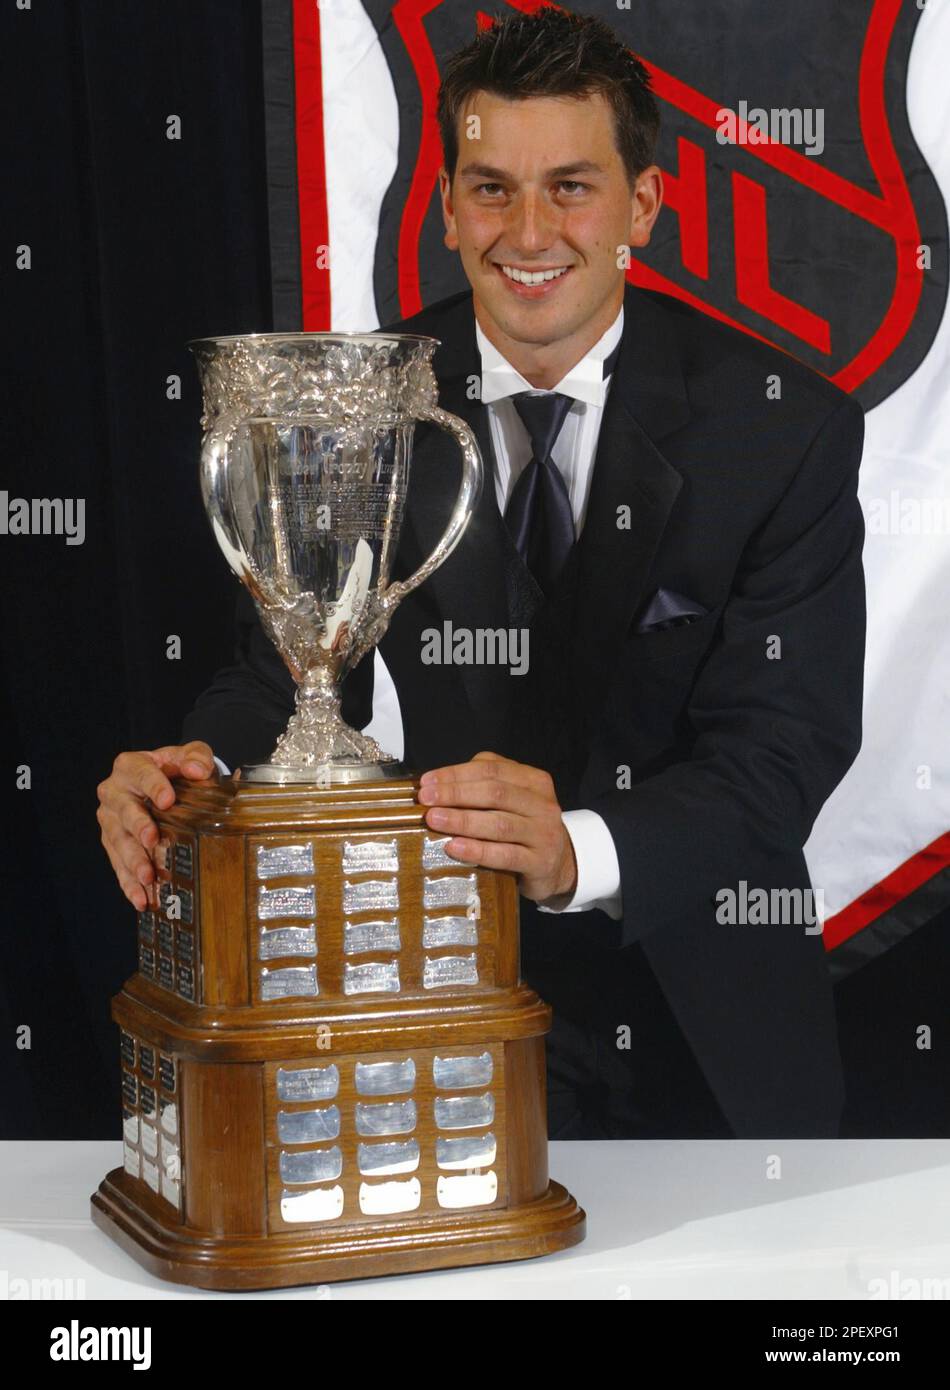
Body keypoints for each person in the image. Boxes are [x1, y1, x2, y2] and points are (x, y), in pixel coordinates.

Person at [96, 9, 865, 1139]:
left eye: (570, 185)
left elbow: (782, 751)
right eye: (491, 187)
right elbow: (286, 673)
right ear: (449, 208)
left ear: (639, 209)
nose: (528, 228)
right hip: (427, 1011)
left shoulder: (779, 429)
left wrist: (576, 849)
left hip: (711, 1034)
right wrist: (193, 776)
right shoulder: (362, 408)